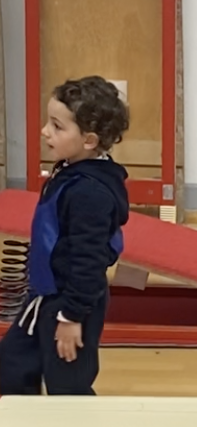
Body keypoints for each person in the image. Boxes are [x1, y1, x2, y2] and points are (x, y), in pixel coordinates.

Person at [0, 76, 130, 395]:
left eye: (57, 127)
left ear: (89, 140)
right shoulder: (71, 167)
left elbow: (90, 261)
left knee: (67, 386)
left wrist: (71, 316)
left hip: (72, 303)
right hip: (44, 296)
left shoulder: (90, 193)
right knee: (11, 369)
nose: (46, 131)